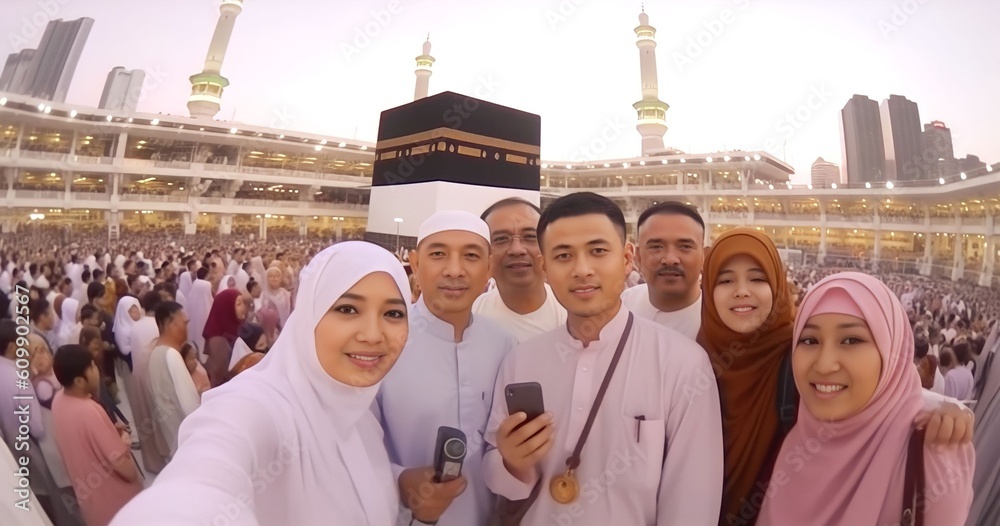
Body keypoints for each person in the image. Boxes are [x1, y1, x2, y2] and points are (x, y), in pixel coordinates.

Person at [111, 241, 411, 525]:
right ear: (309, 314)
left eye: (393, 313)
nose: (373, 334)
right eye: (348, 309)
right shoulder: (259, 404)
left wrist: (400, 481)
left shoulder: (362, 409)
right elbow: (204, 476)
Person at [483, 192, 724, 525]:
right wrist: (511, 462)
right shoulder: (521, 361)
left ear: (627, 259)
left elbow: (693, 501)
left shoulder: (683, 365)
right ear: (545, 268)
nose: (582, 270)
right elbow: (497, 480)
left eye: (597, 251)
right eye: (563, 255)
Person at [758, 272, 975, 525]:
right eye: (809, 340)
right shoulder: (795, 441)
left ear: (891, 352)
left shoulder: (933, 453)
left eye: (851, 340)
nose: (825, 364)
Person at [377, 210, 514, 525]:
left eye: (470, 256)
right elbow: (348, 445)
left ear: (489, 267)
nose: (455, 270)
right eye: (438, 254)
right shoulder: (380, 343)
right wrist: (400, 479)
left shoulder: (504, 344)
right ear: (415, 262)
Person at [51, 344, 143, 526]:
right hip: (116, 499)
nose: (97, 370)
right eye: (92, 366)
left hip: (91, 502)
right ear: (79, 381)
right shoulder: (88, 410)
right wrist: (123, 441)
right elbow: (119, 461)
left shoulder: (58, 401)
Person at [472, 198, 566, 343]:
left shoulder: (572, 315)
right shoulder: (470, 317)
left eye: (530, 237)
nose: (517, 250)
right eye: (501, 239)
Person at [622, 202, 706, 340]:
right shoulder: (624, 303)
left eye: (684, 246)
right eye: (656, 247)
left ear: (703, 255)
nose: (670, 259)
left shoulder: (717, 323)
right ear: (638, 256)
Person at [145, 301, 200, 462]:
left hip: (173, 438)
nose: (187, 328)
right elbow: (190, 404)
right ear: (169, 323)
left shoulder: (156, 352)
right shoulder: (171, 355)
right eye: (184, 323)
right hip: (187, 439)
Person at [202, 288, 247, 387]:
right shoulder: (218, 341)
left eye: (243, 303)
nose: (243, 307)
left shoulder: (234, 328)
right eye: (239, 304)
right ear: (226, 309)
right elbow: (219, 377)